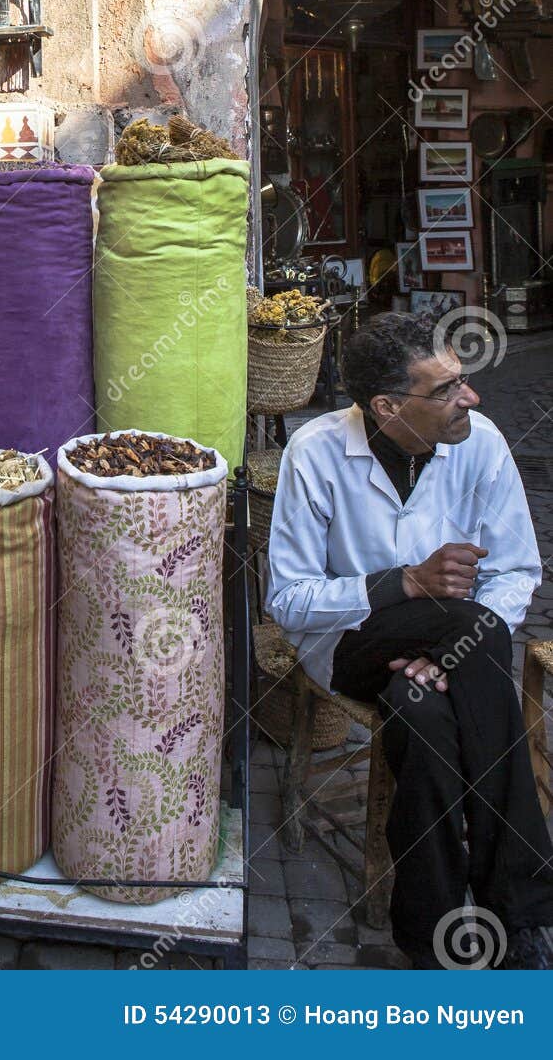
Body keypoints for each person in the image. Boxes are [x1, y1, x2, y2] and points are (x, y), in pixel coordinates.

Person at [266, 311, 553, 969]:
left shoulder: (478, 442)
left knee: (421, 714)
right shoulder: (315, 454)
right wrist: (403, 584)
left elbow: (515, 570)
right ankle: (522, 903)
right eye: (446, 389)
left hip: (443, 657)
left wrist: (440, 656)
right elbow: (287, 601)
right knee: (464, 621)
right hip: (346, 642)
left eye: (462, 382)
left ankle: (429, 934)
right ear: (386, 406)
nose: (469, 399)